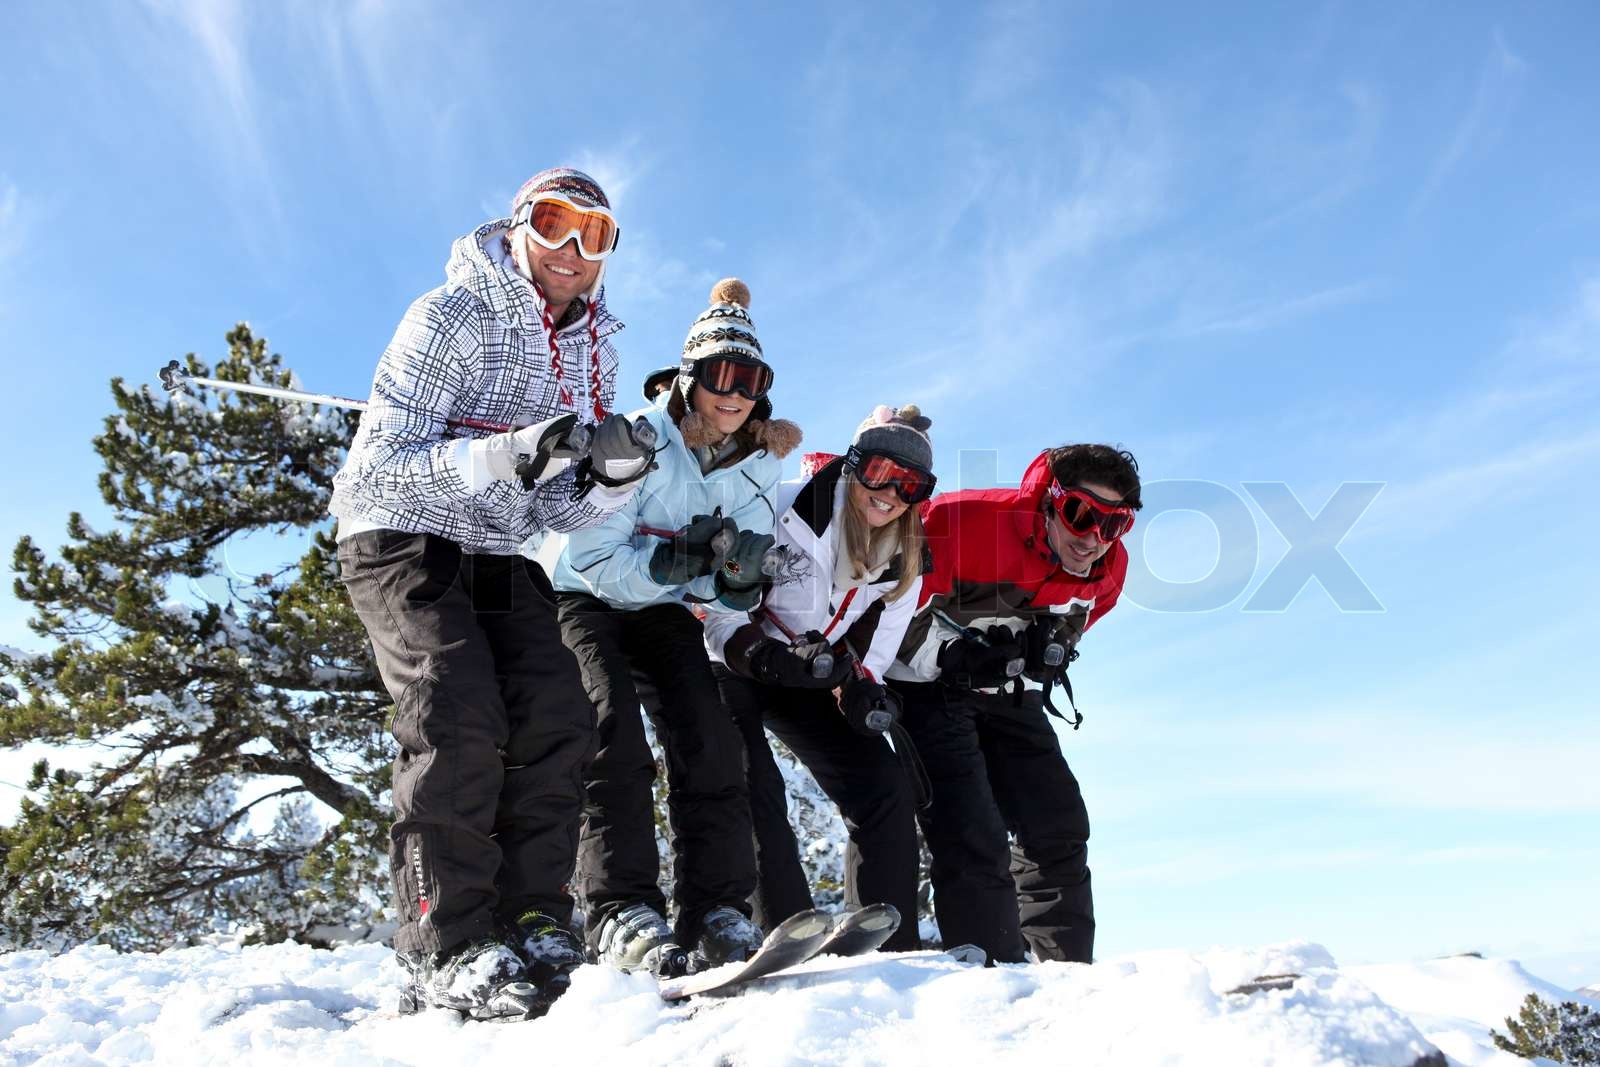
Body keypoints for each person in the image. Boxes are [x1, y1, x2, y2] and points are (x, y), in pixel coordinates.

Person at [330, 168, 656, 1020]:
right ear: (517, 229)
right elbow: (378, 465)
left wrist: (609, 479)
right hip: (398, 533)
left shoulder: (594, 352)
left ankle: (534, 914)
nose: (572, 249)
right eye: (553, 223)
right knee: (456, 702)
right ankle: (444, 937)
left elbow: (554, 509)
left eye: (595, 234)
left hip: (495, 547)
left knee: (560, 712)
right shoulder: (451, 315)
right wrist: (497, 453)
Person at [549, 278, 802, 974]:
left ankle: (716, 908)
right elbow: (592, 557)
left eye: (750, 379)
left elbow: (725, 588)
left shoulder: (757, 468)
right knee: (613, 736)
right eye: (719, 374)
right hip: (585, 599)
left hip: (662, 609)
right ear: (689, 378)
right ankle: (619, 907)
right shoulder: (639, 438)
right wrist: (670, 564)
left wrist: (734, 585)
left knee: (711, 740)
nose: (734, 392)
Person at [886, 444, 1142, 965]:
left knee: (1057, 823)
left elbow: (1072, 627)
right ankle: (991, 970)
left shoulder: (1109, 569)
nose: (1093, 538)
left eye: (1114, 525)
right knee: (972, 828)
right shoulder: (961, 522)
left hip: (1008, 693)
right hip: (924, 686)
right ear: (1050, 501)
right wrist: (953, 655)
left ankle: (1065, 976)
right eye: (1081, 514)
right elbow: (887, 616)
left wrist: (1043, 650)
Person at [703, 405, 935, 951]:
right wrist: (761, 655)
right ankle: (783, 925)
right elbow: (714, 605)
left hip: (808, 670)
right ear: (854, 465)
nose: (890, 494)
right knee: (753, 779)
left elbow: (878, 645)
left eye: (910, 485)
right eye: (880, 472)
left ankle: (888, 938)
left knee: (882, 784)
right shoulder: (781, 508)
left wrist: (861, 688)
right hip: (731, 658)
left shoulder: (905, 556)